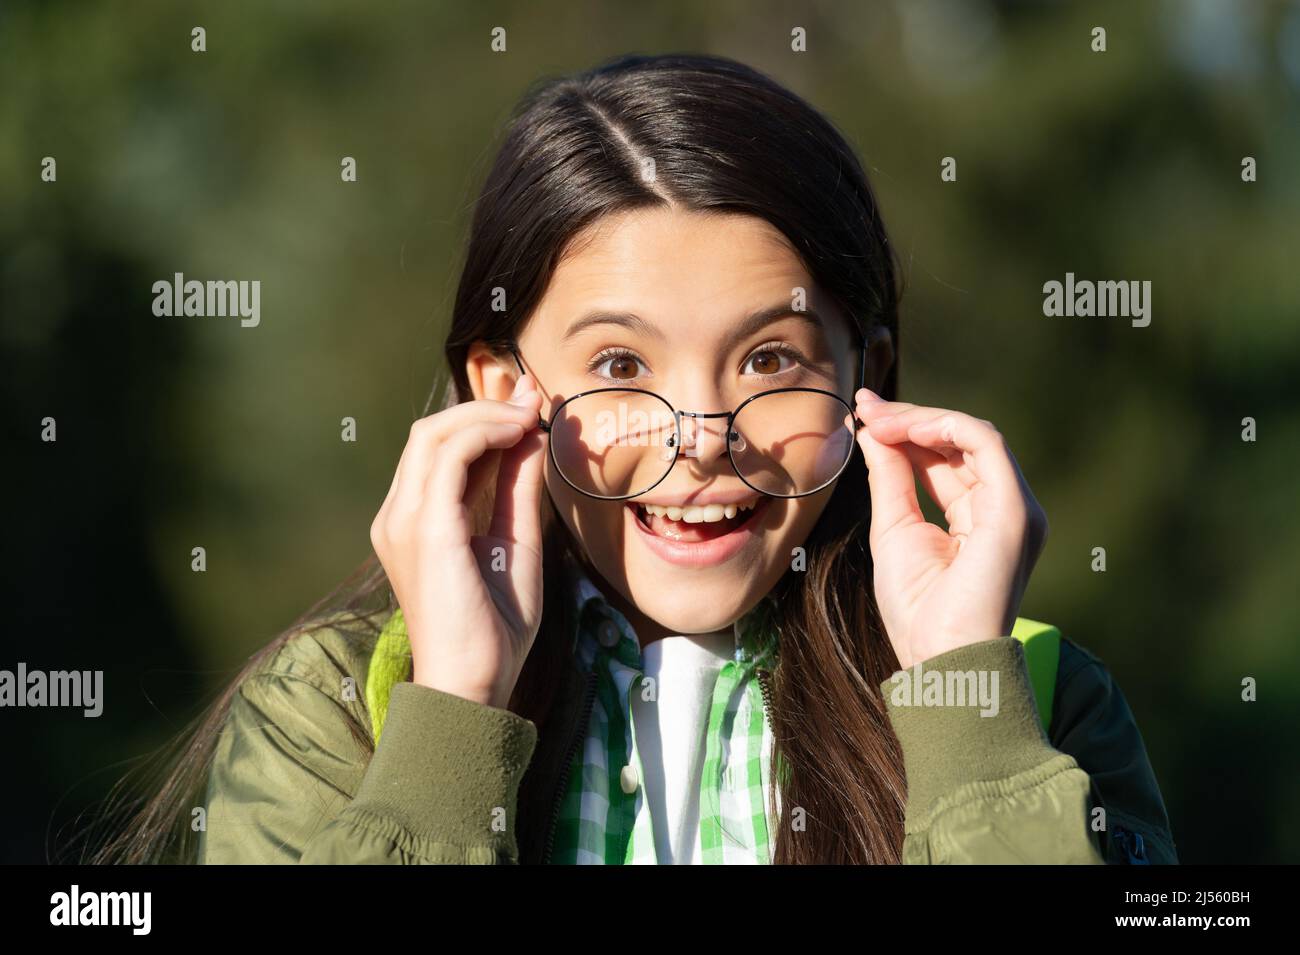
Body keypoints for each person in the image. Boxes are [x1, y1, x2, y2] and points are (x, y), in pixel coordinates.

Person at [100, 52, 1177, 865]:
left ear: (868, 381)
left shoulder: (1036, 701)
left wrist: (964, 713)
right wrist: (453, 719)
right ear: (502, 387)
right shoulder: (332, 713)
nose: (702, 435)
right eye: (619, 361)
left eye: (768, 358)